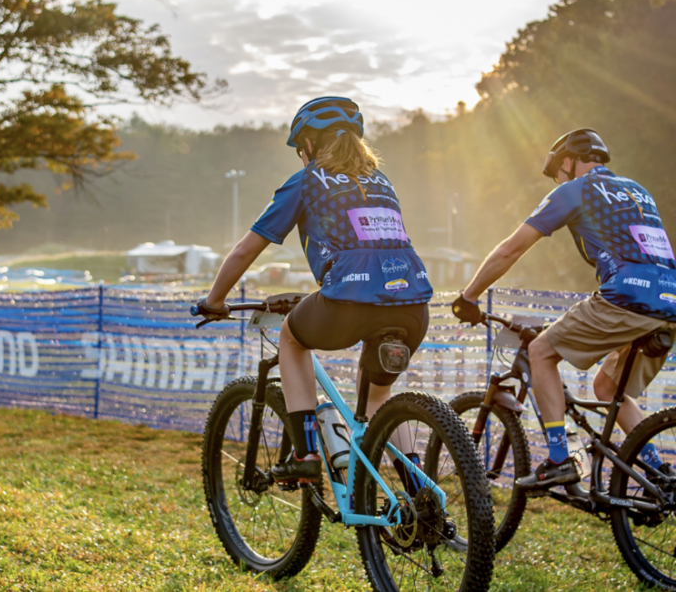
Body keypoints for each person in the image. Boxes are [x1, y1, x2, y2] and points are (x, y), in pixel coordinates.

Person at [197, 96, 433, 482]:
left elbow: (245, 251)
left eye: (299, 149)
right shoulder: (380, 180)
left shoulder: (307, 180)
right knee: (378, 396)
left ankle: (306, 454)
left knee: (291, 338)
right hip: (413, 304)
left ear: (308, 143)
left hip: (348, 302)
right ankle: (417, 487)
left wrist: (214, 300)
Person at [453, 128, 676, 489]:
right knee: (607, 388)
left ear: (569, 163)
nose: (557, 180)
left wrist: (469, 296)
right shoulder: (638, 191)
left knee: (541, 351)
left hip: (626, 297)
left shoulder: (575, 190)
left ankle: (560, 458)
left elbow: (511, 249)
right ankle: (657, 474)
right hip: (669, 302)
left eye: (557, 172)